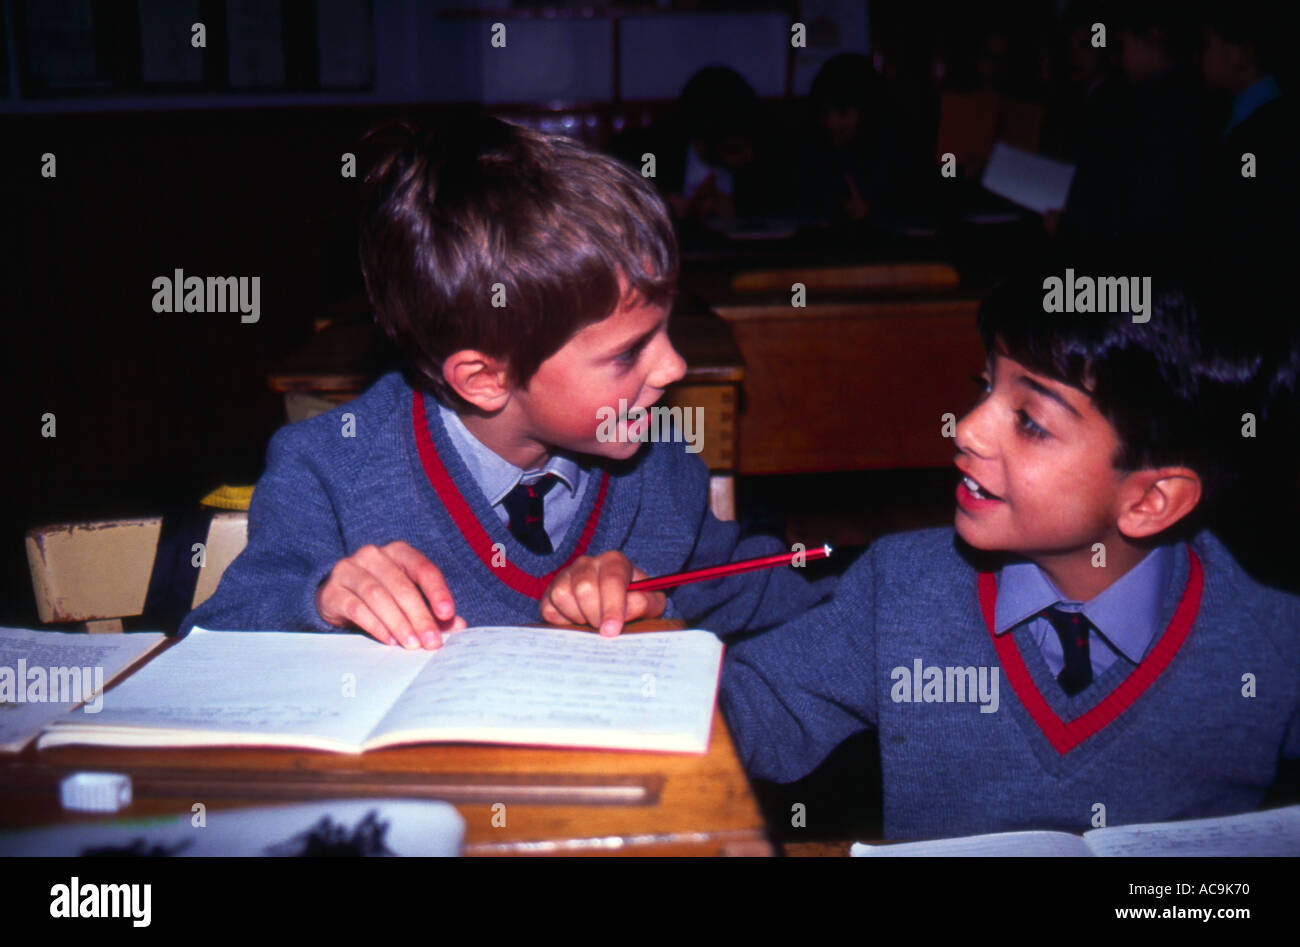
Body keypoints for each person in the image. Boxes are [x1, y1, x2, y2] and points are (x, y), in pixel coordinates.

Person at [543, 261, 1300, 838]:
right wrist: (630, 643)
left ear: (1151, 498)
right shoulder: (903, 588)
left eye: (1030, 420)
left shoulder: (1270, 636)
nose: (967, 428)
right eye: (984, 387)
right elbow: (739, 718)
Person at [181, 112, 831, 649]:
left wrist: (659, 600)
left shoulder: (663, 477)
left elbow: (783, 608)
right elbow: (208, 642)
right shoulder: (325, 469)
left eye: (668, 328)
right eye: (629, 352)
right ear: (485, 378)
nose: (675, 367)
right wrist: (320, 600)